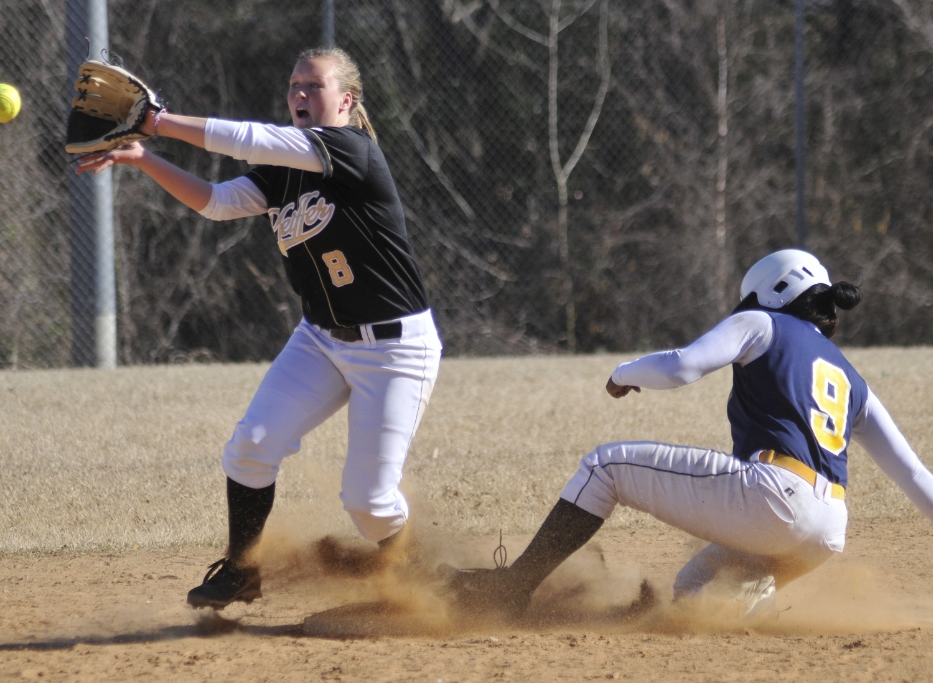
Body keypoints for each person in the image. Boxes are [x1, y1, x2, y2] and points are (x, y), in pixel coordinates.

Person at [77, 47, 442, 610]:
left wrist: (158, 120)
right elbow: (220, 203)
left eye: (313, 86)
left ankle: (424, 573)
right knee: (250, 447)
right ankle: (242, 572)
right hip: (321, 338)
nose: (299, 94)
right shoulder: (284, 171)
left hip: (395, 349)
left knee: (368, 503)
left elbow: (247, 139)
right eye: (294, 85)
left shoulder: (350, 150)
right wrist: (143, 156)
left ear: (345, 100)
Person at [443, 249, 933, 618]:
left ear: (773, 294)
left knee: (604, 467)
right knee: (697, 592)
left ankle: (513, 589)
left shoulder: (763, 322)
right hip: (827, 530)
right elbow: (912, 472)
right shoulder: (853, 380)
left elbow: (683, 367)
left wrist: (623, 372)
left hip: (775, 499)